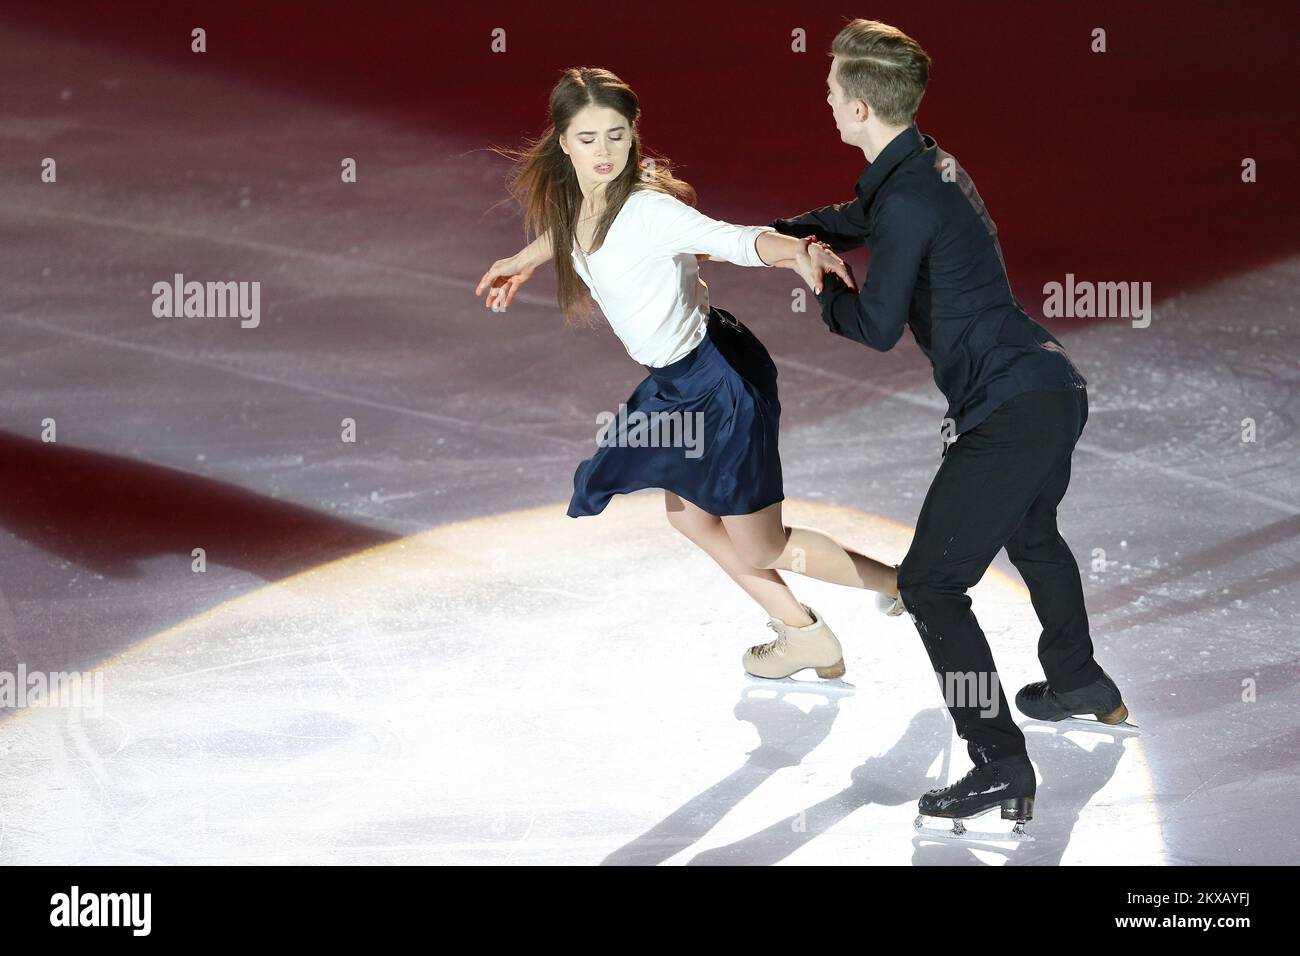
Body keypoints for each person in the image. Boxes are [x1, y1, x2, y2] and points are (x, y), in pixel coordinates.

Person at [768, 20, 1130, 829]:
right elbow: (862, 213)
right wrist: (792, 230)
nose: (824, 99)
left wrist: (816, 276)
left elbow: (874, 325)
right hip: (1047, 387)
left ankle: (999, 758)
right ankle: (1075, 680)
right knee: (1033, 538)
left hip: (1009, 409)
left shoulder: (907, 197)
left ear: (859, 107)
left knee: (932, 584)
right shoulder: (924, 165)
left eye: (830, 90)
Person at [474, 66, 904, 681]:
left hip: (721, 382)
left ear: (633, 133)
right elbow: (571, 230)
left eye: (617, 136)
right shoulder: (579, 200)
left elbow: (737, 241)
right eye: (589, 138)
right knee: (688, 515)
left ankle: (905, 585)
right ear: (563, 141)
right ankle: (803, 635)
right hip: (676, 387)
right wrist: (523, 258)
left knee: (763, 543)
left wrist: (797, 253)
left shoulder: (649, 212)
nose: (604, 152)